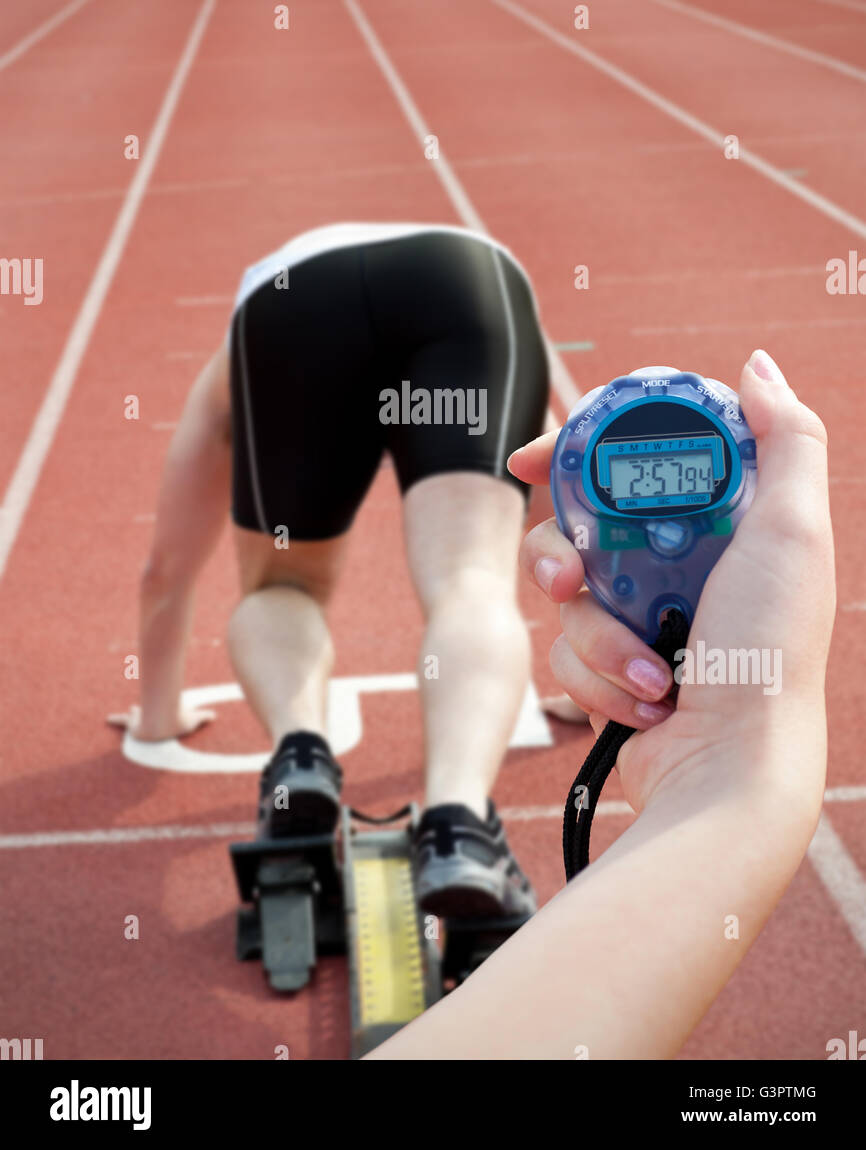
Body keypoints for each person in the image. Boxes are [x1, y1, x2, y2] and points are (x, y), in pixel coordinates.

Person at [367, 350, 836, 1058]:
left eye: (676, 476)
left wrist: (730, 766)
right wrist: (735, 774)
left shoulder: (599, 457)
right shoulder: (698, 447)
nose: (666, 513)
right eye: (641, 480)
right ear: (590, 478)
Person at [109, 221, 550, 920]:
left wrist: (157, 716)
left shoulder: (230, 359)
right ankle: (458, 827)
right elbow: (571, 498)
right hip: (465, 281)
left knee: (283, 584)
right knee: (471, 575)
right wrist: (600, 686)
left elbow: (164, 569)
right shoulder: (473, 282)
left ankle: (299, 752)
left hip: (292, 309)